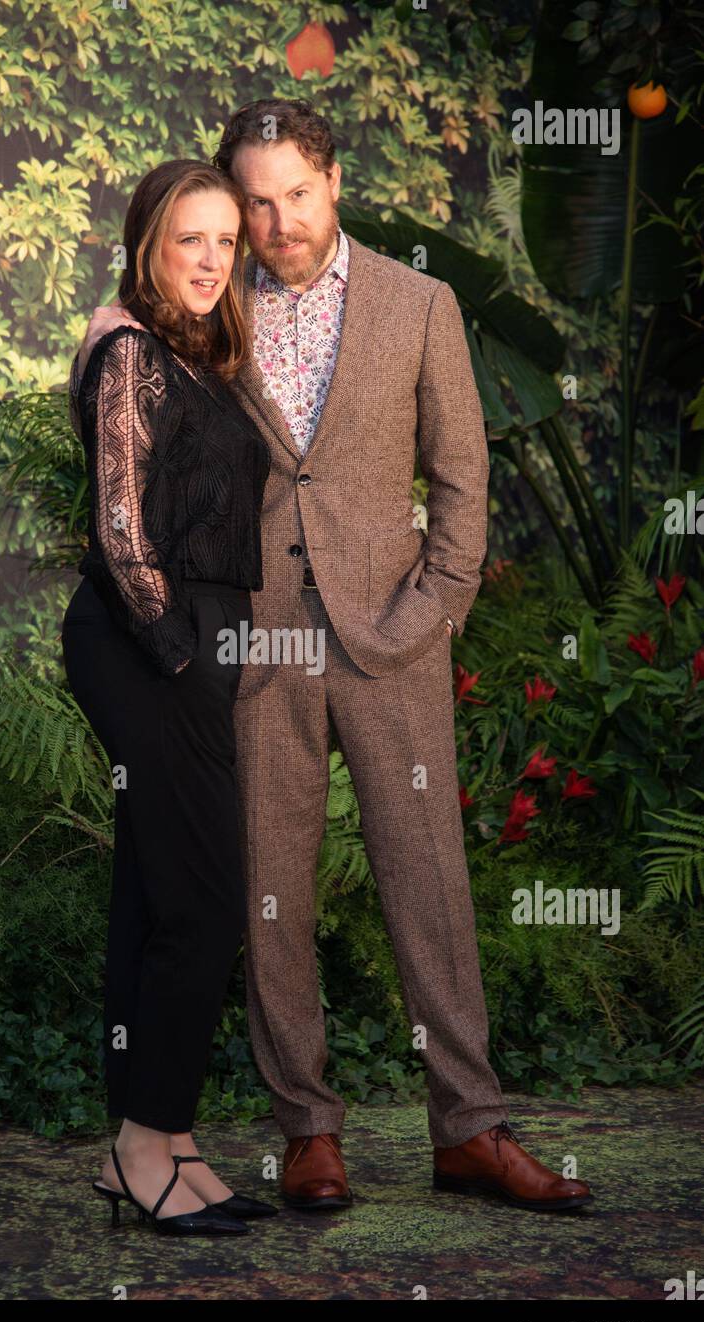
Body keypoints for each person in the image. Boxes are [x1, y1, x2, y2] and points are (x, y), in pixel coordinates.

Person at [75, 99, 593, 1216]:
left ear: (334, 182)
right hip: (255, 643)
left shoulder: (420, 304)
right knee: (270, 894)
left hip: (390, 634)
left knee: (429, 882)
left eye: (297, 194)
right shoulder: (210, 312)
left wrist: (432, 611)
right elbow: (135, 396)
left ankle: (471, 1126)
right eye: (255, 203)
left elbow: (460, 480)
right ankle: (307, 1129)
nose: (278, 223)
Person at [62, 158, 277, 1235]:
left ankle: (159, 1141)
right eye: (191, 237)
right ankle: (146, 1141)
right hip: (150, 641)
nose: (211, 259)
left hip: (193, 637)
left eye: (225, 242)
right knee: (204, 899)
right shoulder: (129, 351)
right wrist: (180, 654)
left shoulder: (195, 358)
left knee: (154, 895)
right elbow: (118, 525)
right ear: (149, 241)